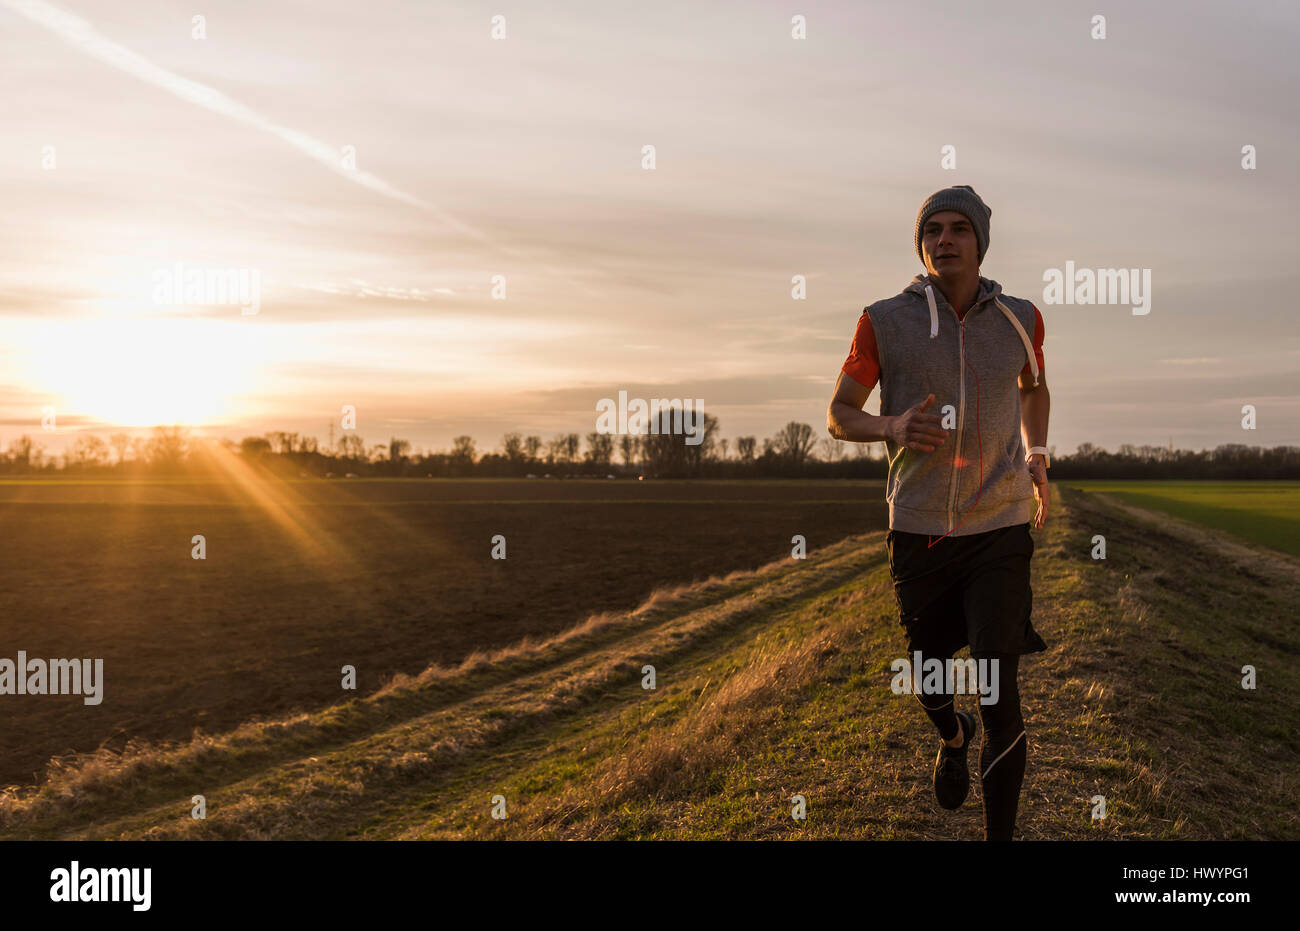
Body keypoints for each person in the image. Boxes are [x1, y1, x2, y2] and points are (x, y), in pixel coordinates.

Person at [826, 185, 1051, 840]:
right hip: (919, 529)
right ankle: (953, 737)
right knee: (929, 677)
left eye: (959, 230)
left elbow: (1035, 385)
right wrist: (891, 423)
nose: (945, 240)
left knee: (997, 683)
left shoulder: (1021, 319)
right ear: (922, 244)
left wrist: (1036, 451)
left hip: (1001, 524)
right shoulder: (883, 321)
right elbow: (839, 415)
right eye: (933, 231)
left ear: (980, 242)